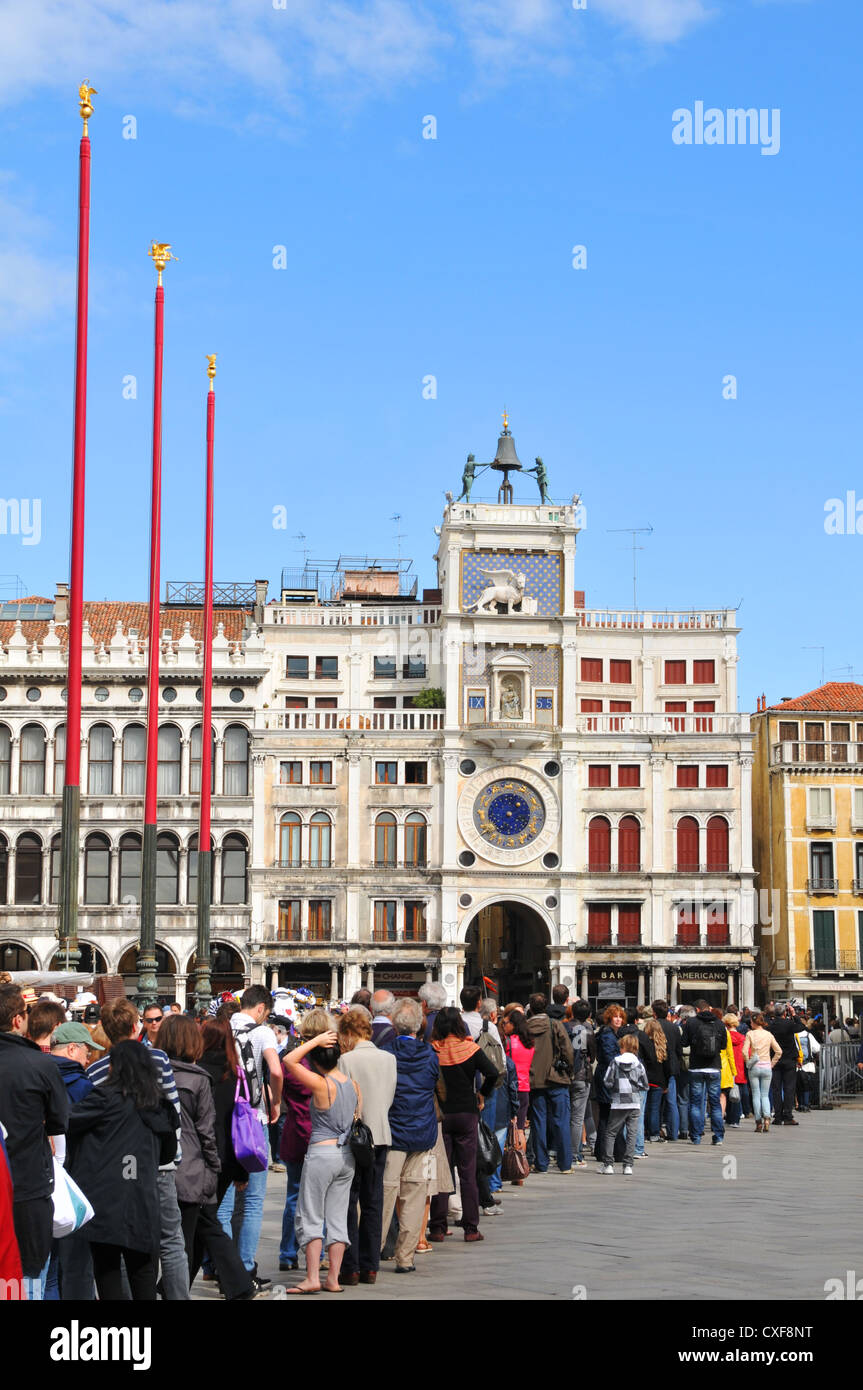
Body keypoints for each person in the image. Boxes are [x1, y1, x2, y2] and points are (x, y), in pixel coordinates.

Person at [87, 995, 188, 1300]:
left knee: (119, 1241)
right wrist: (174, 1156)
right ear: (136, 1026)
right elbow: (173, 1110)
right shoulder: (158, 1059)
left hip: (117, 1167)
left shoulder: (95, 1071)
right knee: (170, 1240)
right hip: (158, 1164)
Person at [67, 1040, 178, 1301]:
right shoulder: (159, 1104)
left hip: (105, 1197)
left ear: (115, 1067)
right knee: (143, 1272)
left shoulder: (105, 1097)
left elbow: (67, 1120)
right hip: (142, 1198)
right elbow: (168, 1154)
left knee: (107, 1271)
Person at [158, 1014, 258, 1301]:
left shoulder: (188, 1073)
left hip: (184, 1161)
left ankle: (233, 1284)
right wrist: (228, 1168)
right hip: (212, 1160)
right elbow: (218, 1125)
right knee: (199, 1225)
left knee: (201, 1225)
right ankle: (182, 1287)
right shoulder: (232, 1074)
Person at [0, 984, 69, 1300]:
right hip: (27, 1185)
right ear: (17, 1019)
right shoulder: (40, 1066)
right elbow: (58, 1122)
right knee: (29, 1280)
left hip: (21, 1183)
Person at [283, 1022, 360, 1293]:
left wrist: (314, 1041)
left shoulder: (320, 1083)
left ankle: (312, 1277)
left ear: (315, 1060)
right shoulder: (352, 1085)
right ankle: (334, 1278)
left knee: (311, 1214)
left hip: (321, 1152)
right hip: (347, 1155)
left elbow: (288, 1060)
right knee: (338, 1218)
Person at [220, 985, 283, 1291]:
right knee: (254, 1201)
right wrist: (276, 1101)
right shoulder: (262, 1032)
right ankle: (244, 1269)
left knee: (224, 1201)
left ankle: (220, 1267)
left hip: (224, 1120)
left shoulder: (222, 1028)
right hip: (252, 1121)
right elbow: (276, 1070)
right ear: (261, 1009)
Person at [428, 1007, 498, 1243]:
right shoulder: (470, 1048)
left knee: (441, 1170)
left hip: (441, 1115)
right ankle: (470, 1227)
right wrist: (482, 1094)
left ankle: (437, 1226)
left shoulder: (433, 1050)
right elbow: (493, 1073)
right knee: (468, 1172)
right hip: (467, 1112)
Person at [337, 1006, 397, 1286]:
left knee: (349, 1202)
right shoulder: (388, 1059)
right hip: (381, 1135)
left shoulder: (346, 1060)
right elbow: (390, 1096)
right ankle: (370, 1266)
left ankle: (349, 1266)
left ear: (348, 1033)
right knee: (373, 1201)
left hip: (355, 1136)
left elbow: (344, 1098)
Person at [380, 997, 440, 1273]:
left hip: (393, 1131)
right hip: (422, 1131)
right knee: (415, 1194)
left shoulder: (387, 1053)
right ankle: (406, 1256)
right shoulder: (430, 1055)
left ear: (393, 1023)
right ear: (419, 1025)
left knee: (387, 1192)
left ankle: (374, 1251)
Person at [277, 1008, 329, 1272]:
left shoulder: (294, 1064)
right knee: (321, 1199)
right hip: (321, 1138)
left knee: (293, 1197)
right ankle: (317, 1254)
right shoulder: (328, 1065)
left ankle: (287, 1253)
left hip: (296, 1134)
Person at [526, 993, 575, 1174]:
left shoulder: (525, 1027)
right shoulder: (555, 1025)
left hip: (534, 1080)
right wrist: (569, 1071)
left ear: (530, 1008)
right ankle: (565, 1164)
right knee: (561, 1121)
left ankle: (541, 1162)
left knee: (538, 1122)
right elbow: (567, 1050)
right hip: (556, 1078)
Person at [680, 1001, 728, 1146]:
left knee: (695, 1103)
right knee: (715, 1103)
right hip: (714, 1068)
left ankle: (696, 1136)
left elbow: (684, 1043)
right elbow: (724, 1045)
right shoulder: (719, 1024)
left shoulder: (691, 1023)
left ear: (698, 1010)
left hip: (696, 1068)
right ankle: (718, 1136)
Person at [599, 1034, 647, 1175]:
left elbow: (607, 1081)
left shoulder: (615, 1062)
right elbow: (644, 1084)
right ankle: (628, 1165)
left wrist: (615, 1087)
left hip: (618, 1102)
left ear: (622, 1047)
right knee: (632, 1134)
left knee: (611, 1133)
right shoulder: (638, 1064)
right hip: (634, 1102)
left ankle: (608, 1164)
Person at [563, 1001, 596, 1167]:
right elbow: (591, 1053)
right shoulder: (586, 1029)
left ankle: (559, 1149)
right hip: (581, 1076)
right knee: (577, 1117)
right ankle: (574, 1153)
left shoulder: (565, 1027)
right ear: (589, 1015)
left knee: (564, 1115)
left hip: (563, 1076)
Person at [766, 1003, 808, 1125]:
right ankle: (788, 1115)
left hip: (775, 1059)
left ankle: (778, 1116)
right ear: (785, 1013)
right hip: (789, 1059)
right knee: (789, 1088)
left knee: (776, 1089)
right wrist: (794, 1014)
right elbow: (801, 1027)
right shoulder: (789, 1024)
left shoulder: (771, 1025)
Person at [594, 1004, 625, 1163]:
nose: (618, 1019)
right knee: (609, 1113)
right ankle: (611, 1150)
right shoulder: (607, 1035)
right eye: (615, 1016)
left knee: (608, 1114)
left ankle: (605, 1150)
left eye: (620, 1016)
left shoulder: (611, 1034)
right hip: (608, 1076)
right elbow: (609, 1057)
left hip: (608, 1075)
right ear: (609, 1018)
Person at [742, 1012, 782, 1130]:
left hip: (754, 1066)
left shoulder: (750, 1034)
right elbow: (778, 1051)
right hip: (766, 1066)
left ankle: (758, 1121)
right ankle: (767, 1118)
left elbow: (744, 1051)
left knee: (756, 1094)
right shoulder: (768, 1034)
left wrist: (748, 1062)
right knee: (765, 1094)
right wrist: (771, 1064)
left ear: (753, 1022)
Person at [651, 1000, 683, 1140]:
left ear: (654, 1013)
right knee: (671, 1102)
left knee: (655, 1103)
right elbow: (678, 1049)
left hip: (657, 1067)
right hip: (672, 1067)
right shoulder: (674, 1028)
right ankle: (673, 1131)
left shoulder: (652, 1026)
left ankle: (655, 1131)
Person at [502, 1007, 534, 1134]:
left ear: (513, 1024)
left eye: (506, 1023)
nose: (504, 1025)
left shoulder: (508, 1041)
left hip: (510, 1088)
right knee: (520, 1129)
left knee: (508, 1128)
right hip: (525, 1088)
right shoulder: (529, 1043)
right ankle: (521, 1153)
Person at [642, 1018, 671, 1141]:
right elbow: (667, 1067)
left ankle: (645, 1130)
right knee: (655, 1108)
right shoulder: (662, 1045)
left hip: (646, 1079)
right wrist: (666, 1083)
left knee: (645, 1107)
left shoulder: (643, 1044)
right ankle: (654, 1133)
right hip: (659, 1081)